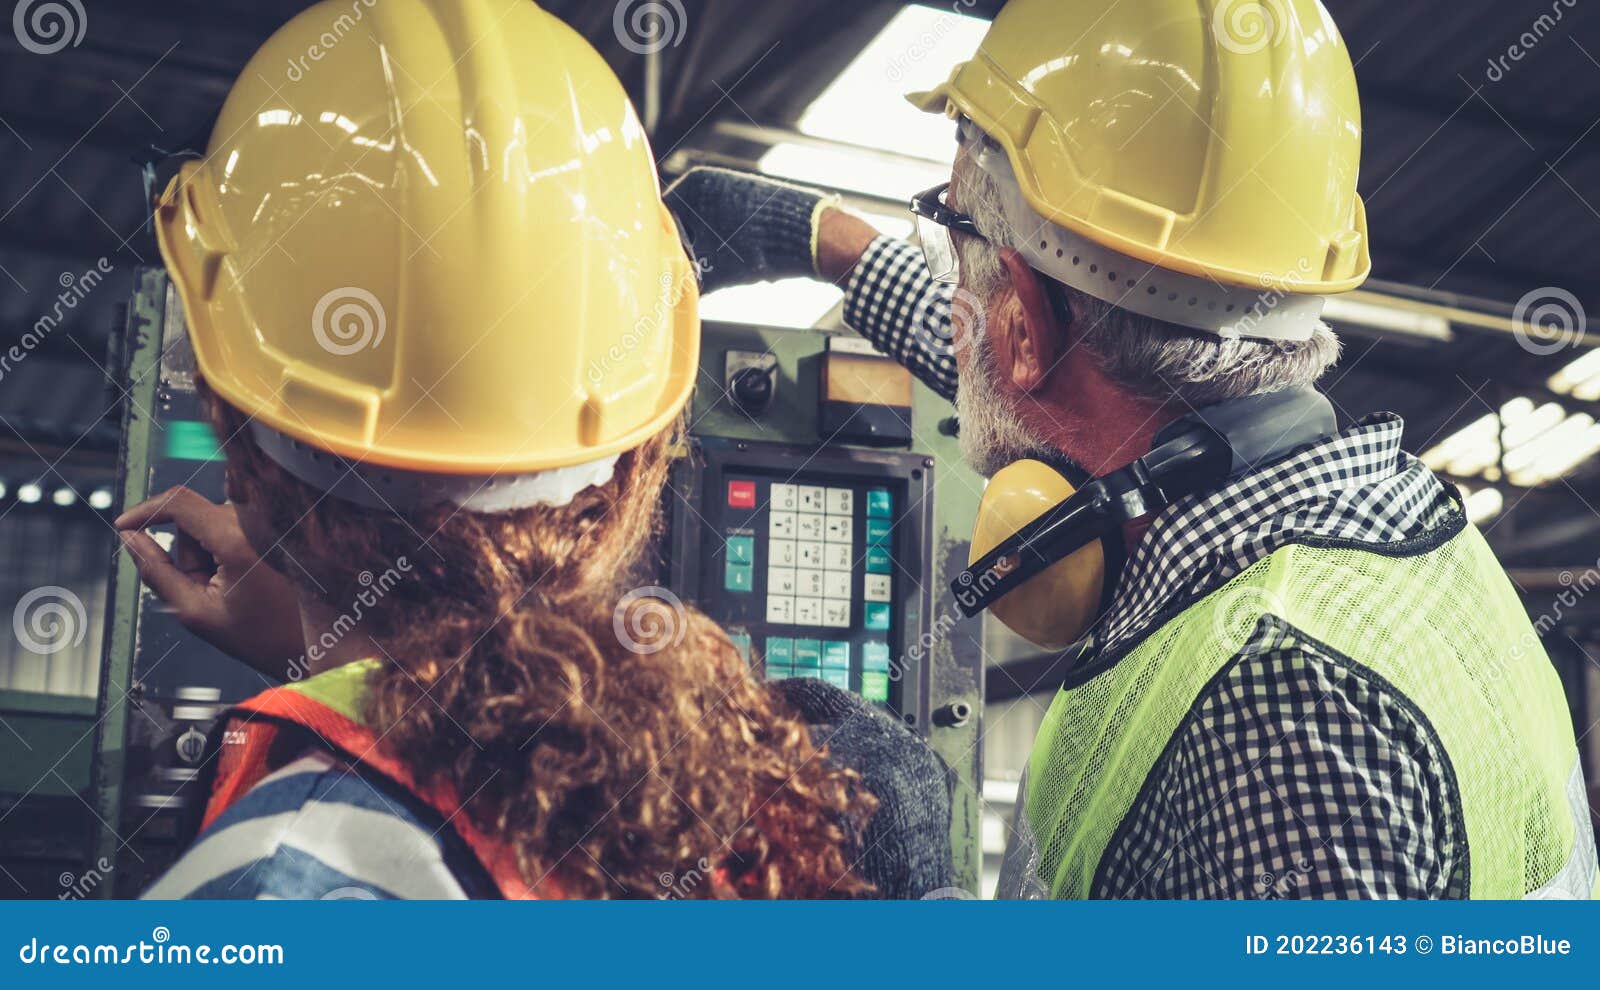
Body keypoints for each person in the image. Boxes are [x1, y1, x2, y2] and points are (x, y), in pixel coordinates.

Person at [667, 0, 1598, 899]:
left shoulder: (1283, 708)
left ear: (1021, 322)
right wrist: (826, 240)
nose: (958, 291)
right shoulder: (1397, 532)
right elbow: (1052, 373)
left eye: (954, 235)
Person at [120, 0, 949, 900]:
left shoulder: (274, 884)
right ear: (636, 470)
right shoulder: (830, 804)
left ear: (239, 450)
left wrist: (342, 651)